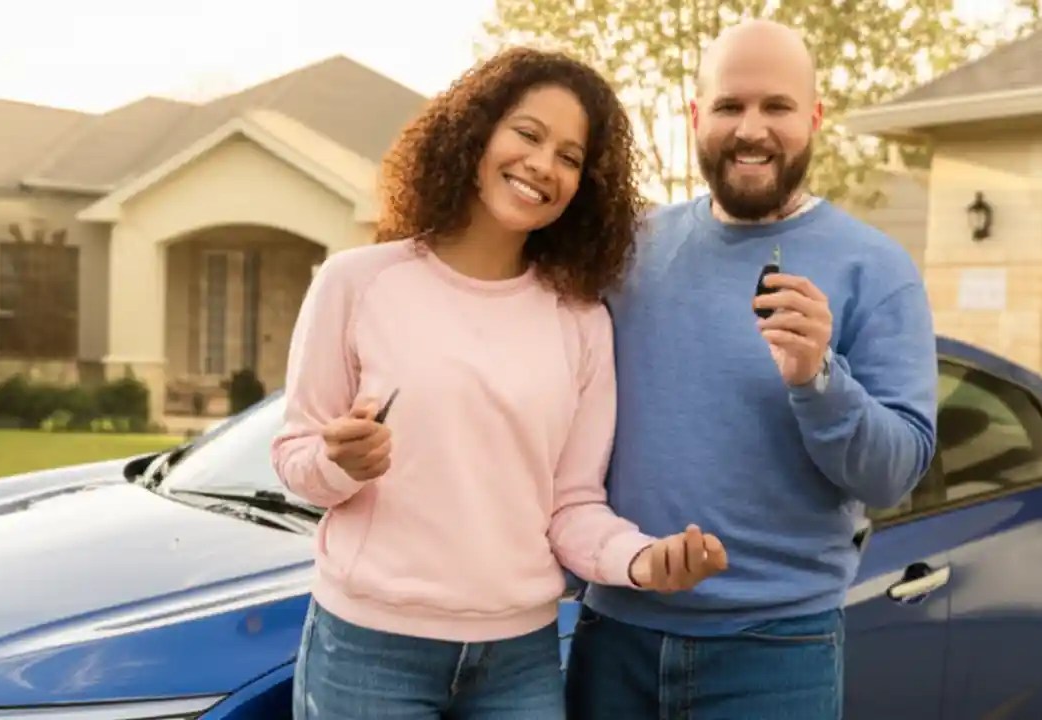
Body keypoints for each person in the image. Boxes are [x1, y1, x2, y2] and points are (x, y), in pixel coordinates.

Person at [270, 47, 728, 720]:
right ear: (475, 131)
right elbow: (294, 460)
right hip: (371, 650)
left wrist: (644, 561)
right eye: (528, 133)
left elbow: (571, 506)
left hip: (518, 662)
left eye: (571, 157)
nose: (544, 165)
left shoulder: (580, 322)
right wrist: (339, 464)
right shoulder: (358, 282)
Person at [564, 19, 939, 720]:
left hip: (777, 652)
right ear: (696, 116)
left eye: (778, 107)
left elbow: (895, 475)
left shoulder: (877, 269)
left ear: (815, 119)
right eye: (731, 107)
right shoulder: (629, 250)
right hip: (613, 632)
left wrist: (818, 378)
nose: (752, 129)